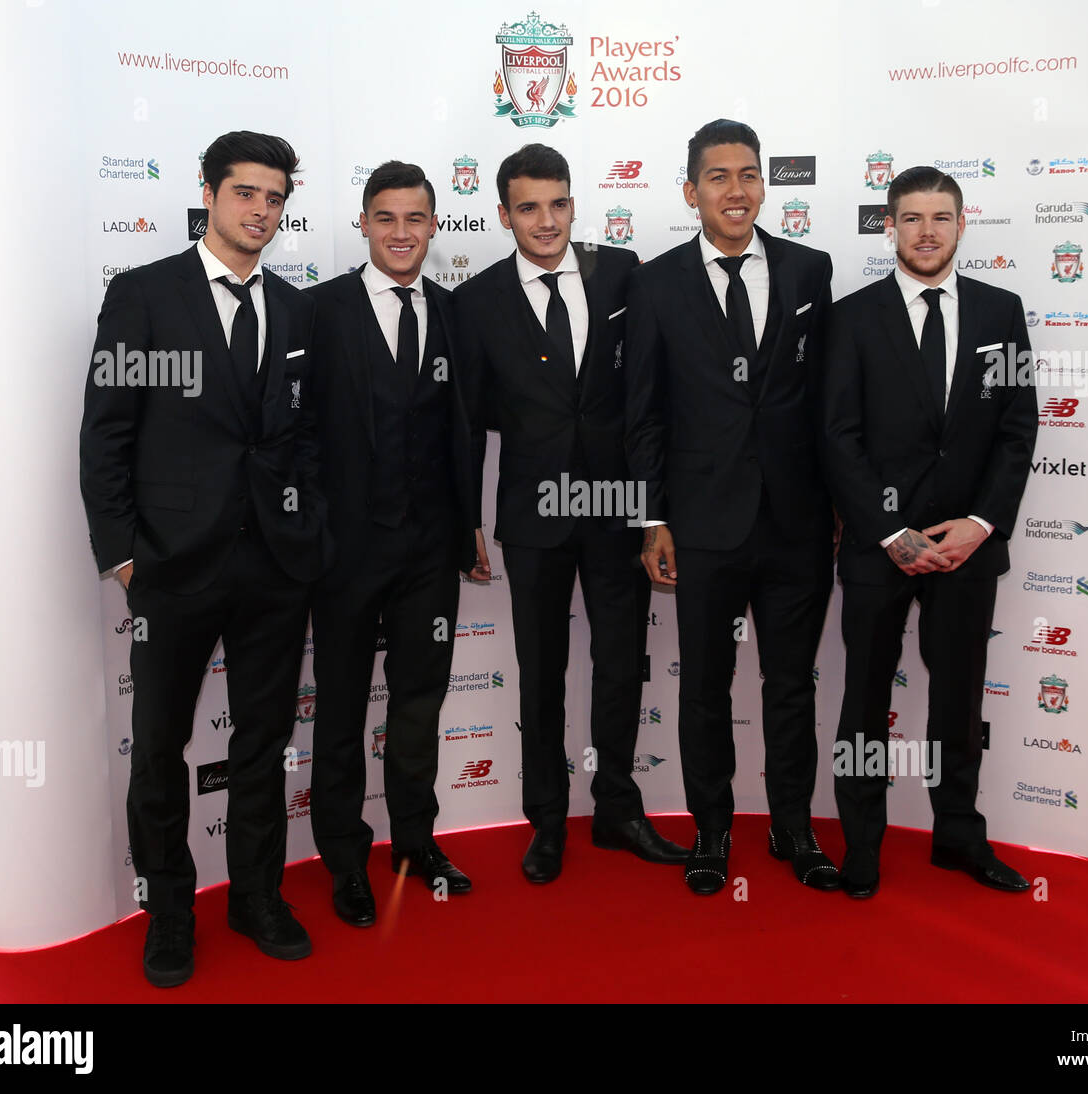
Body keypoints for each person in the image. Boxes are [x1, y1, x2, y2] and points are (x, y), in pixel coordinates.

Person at [80, 131, 327, 986]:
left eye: (275, 198)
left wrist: (308, 538)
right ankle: (170, 912)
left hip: (274, 570)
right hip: (173, 568)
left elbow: (308, 442)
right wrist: (122, 556)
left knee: (264, 742)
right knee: (158, 748)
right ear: (209, 193)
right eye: (246, 193)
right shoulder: (145, 297)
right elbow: (107, 433)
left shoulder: (296, 311)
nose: (261, 211)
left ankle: (257, 897)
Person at [454, 144, 686, 883]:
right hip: (533, 513)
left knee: (621, 665)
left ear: (573, 204)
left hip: (618, 508)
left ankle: (617, 809)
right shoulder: (475, 301)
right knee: (540, 673)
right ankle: (546, 821)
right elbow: (466, 419)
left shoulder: (622, 272)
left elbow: (654, 396)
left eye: (557, 203)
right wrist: (470, 517)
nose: (545, 220)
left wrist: (656, 510)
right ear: (503, 214)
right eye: (528, 207)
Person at [625, 120, 839, 896]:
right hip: (703, 523)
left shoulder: (811, 269)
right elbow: (643, 412)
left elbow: (825, 404)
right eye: (718, 176)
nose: (737, 189)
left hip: (798, 523)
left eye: (749, 174)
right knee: (703, 687)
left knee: (792, 686)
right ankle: (711, 829)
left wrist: (841, 506)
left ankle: (794, 829)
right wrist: (652, 518)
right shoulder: (654, 283)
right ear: (691, 191)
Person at [821, 165, 1038, 898]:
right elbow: (837, 436)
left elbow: (1016, 430)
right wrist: (891, 534)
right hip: (880, 552)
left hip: (968, 553)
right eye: (911, 218)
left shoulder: (1001, 313)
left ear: (961, 223)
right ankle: (863, 845)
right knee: (863, 703)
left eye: (940, 218)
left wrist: (979, 525)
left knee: (959, 702)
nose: (926, 232)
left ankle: (958, 837)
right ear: (890, 226)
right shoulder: (851, 317)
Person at [305, 162, 488, 925]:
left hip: (428, 554)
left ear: (435, 225)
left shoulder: (453, 314)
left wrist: (467, 523)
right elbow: (293, 436)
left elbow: (461, 434)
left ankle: (415, 845)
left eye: (415, 218)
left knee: (417, 707)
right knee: (342, 711)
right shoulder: (316, 312)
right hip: (342, 555)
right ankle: (345, 860)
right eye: (386, 218)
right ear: (364, 224)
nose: (402, 232)